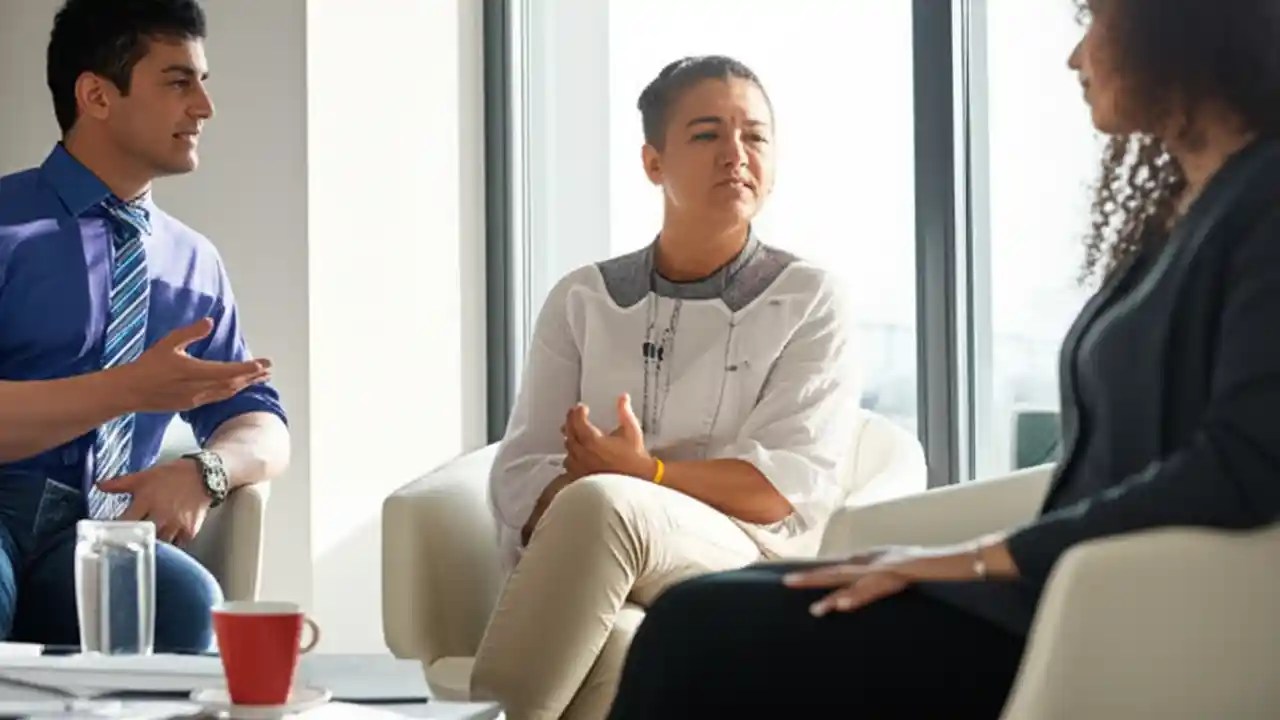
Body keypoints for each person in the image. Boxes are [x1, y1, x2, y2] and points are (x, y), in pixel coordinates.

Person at [607, 0, 1280, 717]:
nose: (1076, 57)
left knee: (698, 630)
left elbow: (1244, 463)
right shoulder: (1185, 210)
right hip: (1045, 590)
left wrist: (983, 556)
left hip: (1100, 619)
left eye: (1094, 21)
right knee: (699, 607)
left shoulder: (1264, 202)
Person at [471, 56, 861, 719]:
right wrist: (593, 482)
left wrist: (640, 472)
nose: (736, 154)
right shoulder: (584, 298)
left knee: (606, 506)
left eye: (755, 136)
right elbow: (520, 475)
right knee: (618, 645)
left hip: (747, 558)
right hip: (607, 560)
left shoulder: (808, 297)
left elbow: (780, 487)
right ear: (654, 162)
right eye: (708, 134)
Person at [0, 0, 289, 653]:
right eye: (178, 82)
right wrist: (131, 388)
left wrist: (205, 471)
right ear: (97, 96)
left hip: (101, 530)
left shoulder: (195, 263)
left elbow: (263, 422)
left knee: (188, 607)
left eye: (203, 82)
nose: (204, 109)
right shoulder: (5, 227)